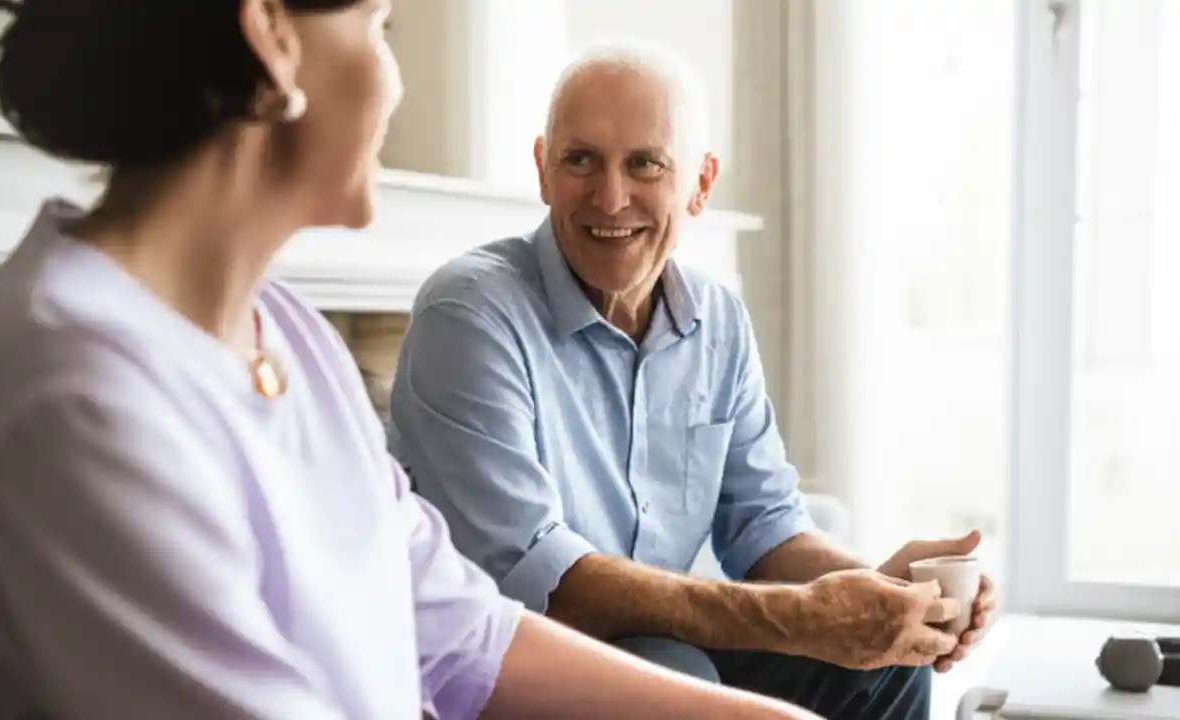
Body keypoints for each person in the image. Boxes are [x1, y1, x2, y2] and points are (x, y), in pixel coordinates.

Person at [0, 3, 820, 719]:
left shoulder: (289, 338)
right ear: (273, 34)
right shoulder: (75, 391)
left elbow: (456, 632)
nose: (395, 79)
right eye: (379, 24)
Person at [389, 40, 998, 719]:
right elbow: (541, 585)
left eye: (644, 163)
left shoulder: (717, 319)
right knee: (678, 667)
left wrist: (880, 591)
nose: (610, 197)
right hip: (510, 662)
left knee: (884, 671)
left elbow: (765, 527)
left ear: (701, 184)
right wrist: (802, 617)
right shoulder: (470, 313)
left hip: (659, 642)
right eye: (580, 159)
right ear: (542, 167)